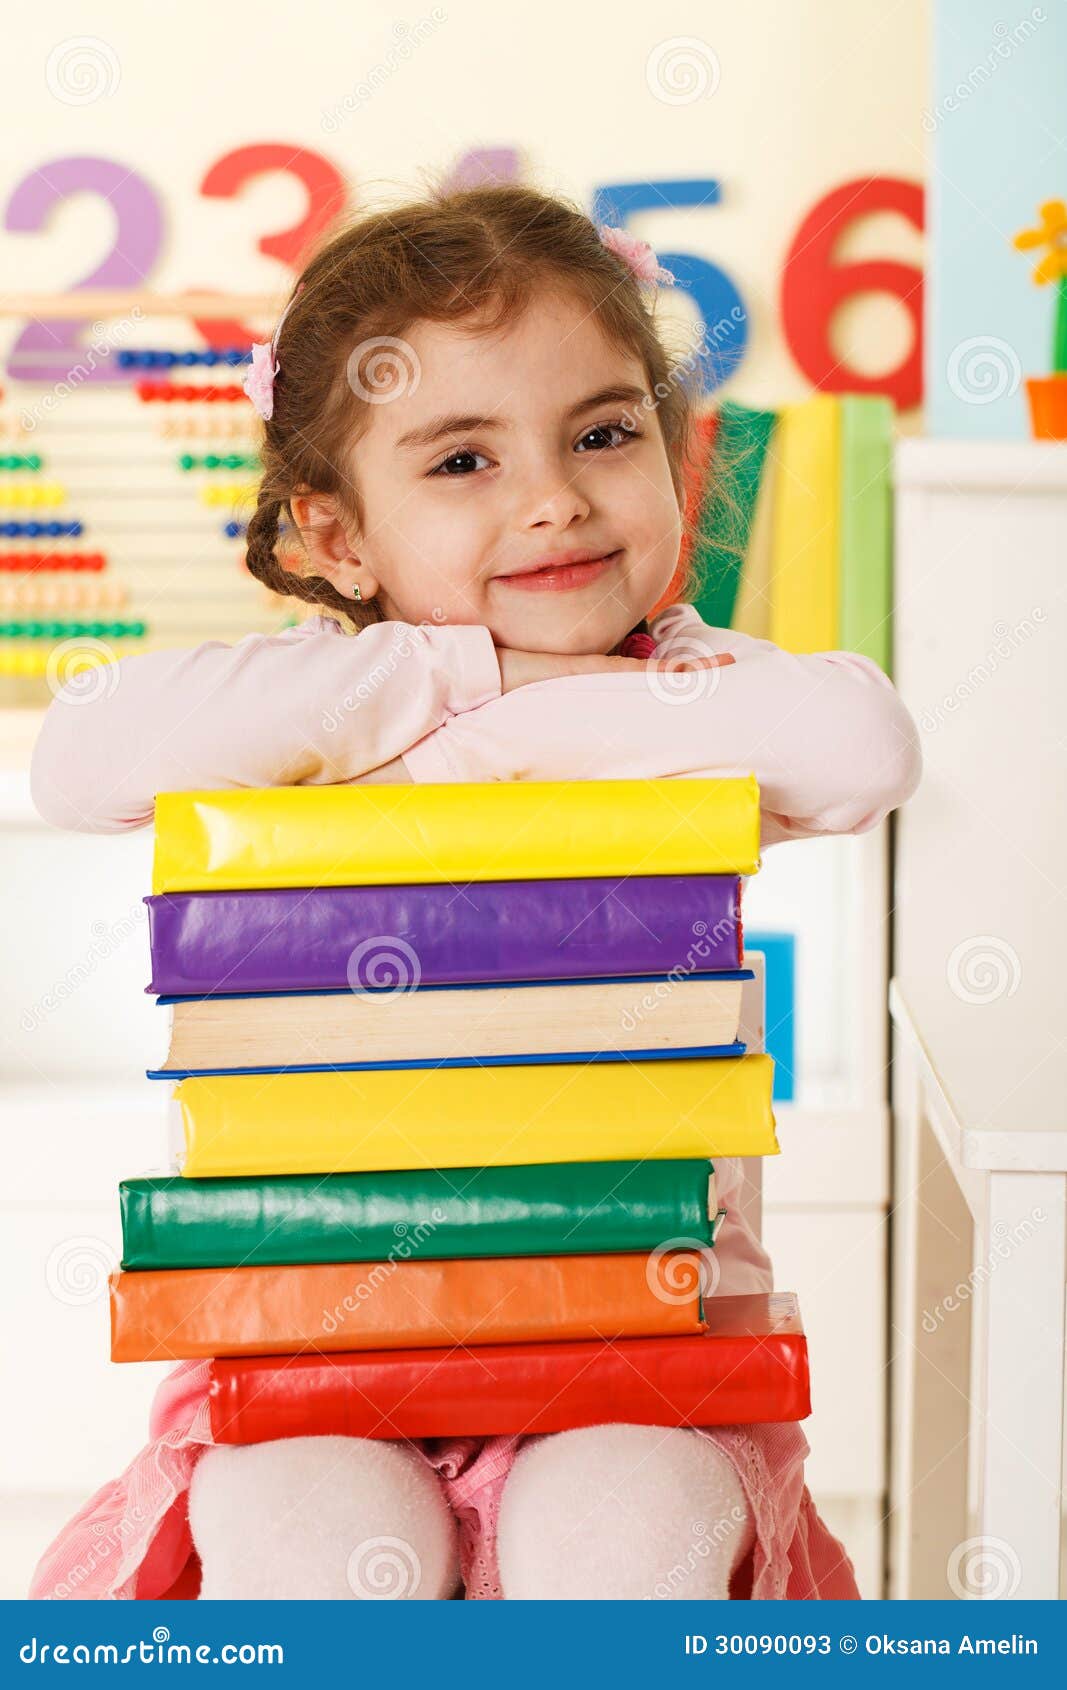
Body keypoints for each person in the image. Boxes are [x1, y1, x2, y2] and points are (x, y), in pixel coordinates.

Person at [29, 182, 921, 1601]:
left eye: (605, 433)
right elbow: (75, 761)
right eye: (462, 463)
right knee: (313, 1542)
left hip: (646, 1357)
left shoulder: (701, 687)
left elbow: (865, 744)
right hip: (321, 1334)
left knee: (621, 1537)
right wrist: (457, 672)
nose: (555, 497)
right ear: (336, 540)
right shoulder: (339, 700)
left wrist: (539, 701)